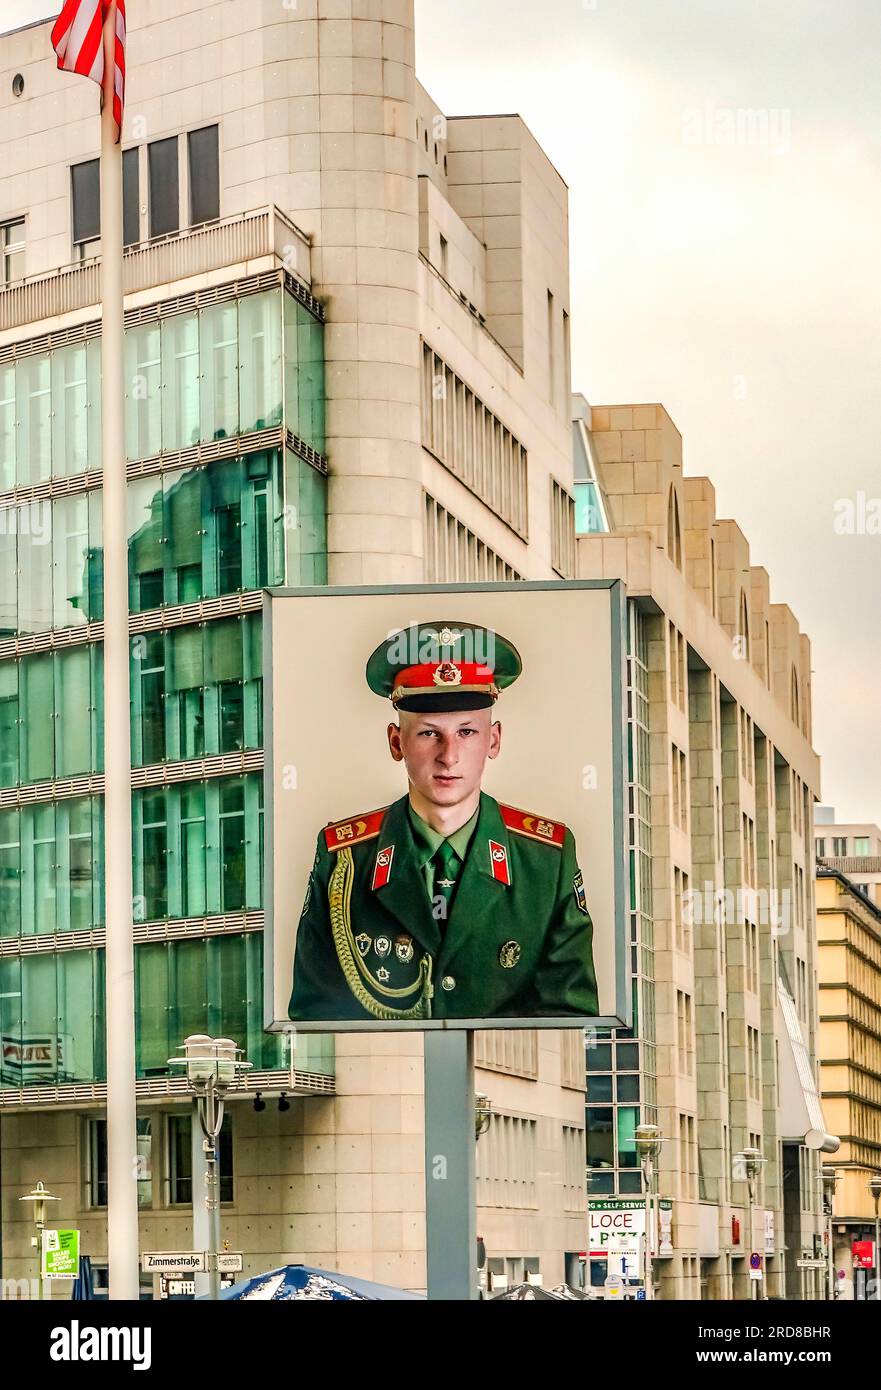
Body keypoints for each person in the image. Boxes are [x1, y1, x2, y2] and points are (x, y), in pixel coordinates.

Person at [288, 621, 598, 1021]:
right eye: (429, 734)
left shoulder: (545, 858)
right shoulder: (344, 857)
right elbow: (315, 1012)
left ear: (494, 740)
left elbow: (571, 1016)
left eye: (467, 732)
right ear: (396, 743)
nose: (449, 756)